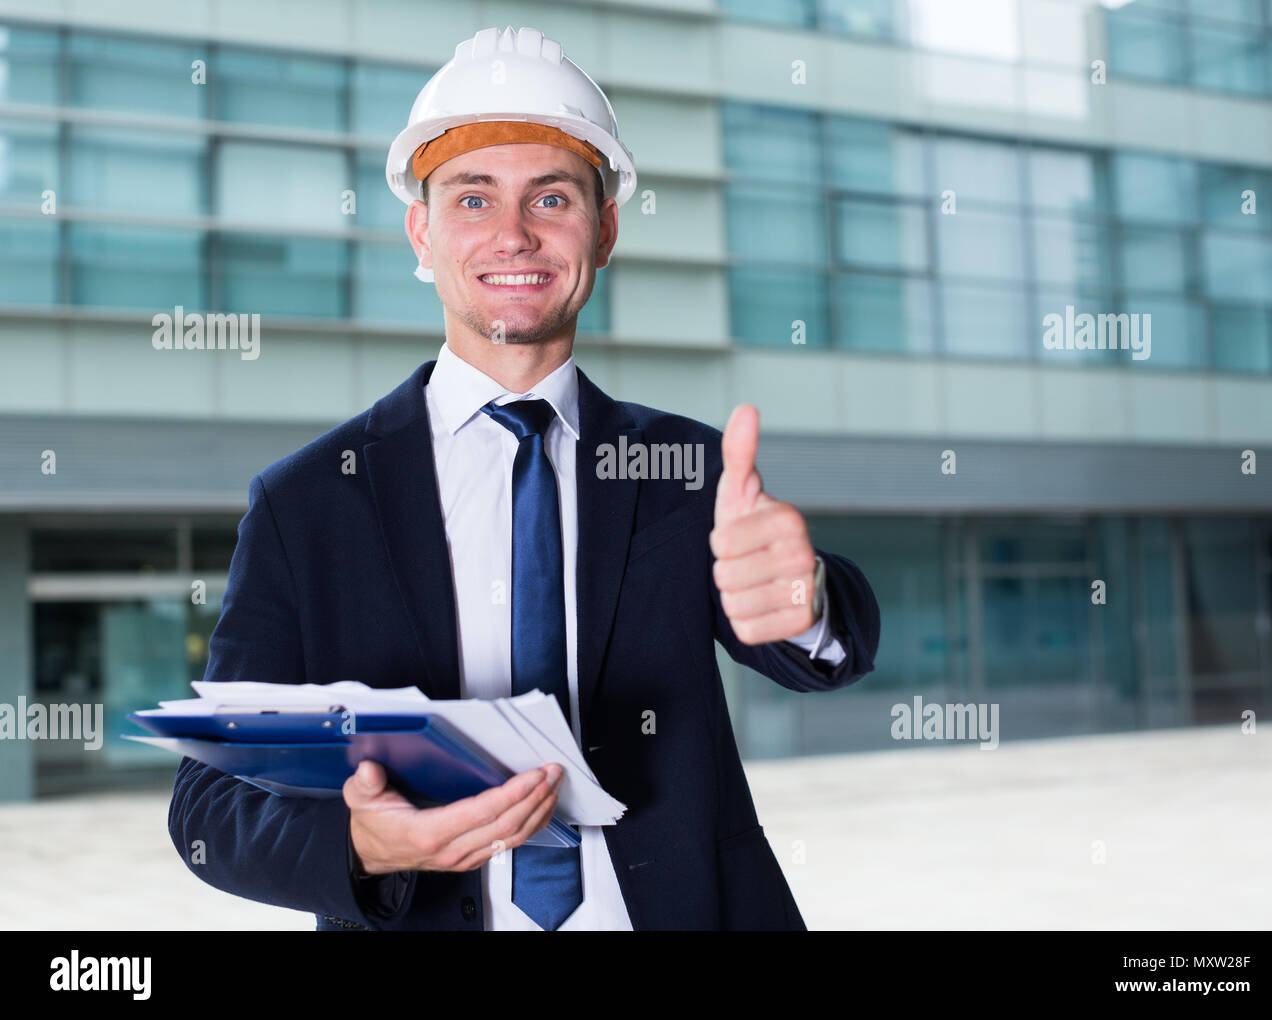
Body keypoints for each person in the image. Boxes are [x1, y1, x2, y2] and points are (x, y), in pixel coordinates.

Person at [168, 25, 880, 931]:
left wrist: (807, 597)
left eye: (551, 197)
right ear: (421, 232)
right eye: (473, 200)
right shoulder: (306, 504)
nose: (514, 234)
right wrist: (362, 847)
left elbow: (825, 646)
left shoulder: (687, 470)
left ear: (605, 228)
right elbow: (208, 803)